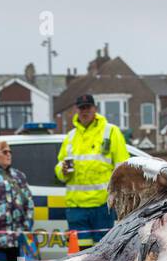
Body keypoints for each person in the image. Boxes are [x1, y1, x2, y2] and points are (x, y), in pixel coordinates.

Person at [54, 93, 128, 249]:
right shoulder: (71, 137)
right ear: (76, 110)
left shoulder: (111, 132)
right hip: (76, 207)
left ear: (95, 108)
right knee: (81, 255)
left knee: (103, 253)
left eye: (88, 107)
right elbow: (59, 168)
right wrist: (63, 170)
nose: (84, 111)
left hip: (102, 206)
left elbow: (123, 167)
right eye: (81, 108)